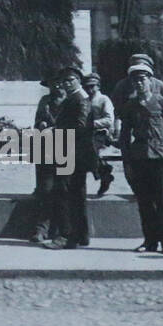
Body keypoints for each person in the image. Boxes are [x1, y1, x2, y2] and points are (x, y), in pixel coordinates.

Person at [117, 59, 163, 255]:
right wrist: (127, 161)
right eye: (135, 80)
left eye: (142, 79)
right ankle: (149, 241)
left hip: (161, 158)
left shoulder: (162, 102)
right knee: (144, 203)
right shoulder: (130, 105)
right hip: (139, 159)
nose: (139, 83)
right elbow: (124, 136)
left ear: (150, 81)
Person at [41, 66, 98, 250]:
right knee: (77, 195)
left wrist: (55, 131)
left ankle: (66, 236)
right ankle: (82, 235)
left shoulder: (79, 99)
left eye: (70, 80)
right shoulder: (76, 98)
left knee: (65, 194)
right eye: (64, 81)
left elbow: (80, 126)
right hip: (75, 153)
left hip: (71, 153)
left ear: (79, 81)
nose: (66, 83)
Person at [29, 74, 64, 243]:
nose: (55, 87)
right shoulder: (45, 101)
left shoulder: (70, 100)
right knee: (46, 189)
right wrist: (41, 124)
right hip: (47, 148)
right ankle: (41, 229)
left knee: (63, 191)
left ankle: (59, 231)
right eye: (52, 84)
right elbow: (37, 121)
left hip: (66, 148)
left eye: (58, 83)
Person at [82, 72, 116, 196]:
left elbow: (109, 119)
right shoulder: (84, 101)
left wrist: (92, 124)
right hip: (86, 133)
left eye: (92, 86)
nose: (90, 89)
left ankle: (104, 173)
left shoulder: (104, 99)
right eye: (87, 87)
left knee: (91, 149)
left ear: (98, 86)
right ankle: (104, 173)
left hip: (101, 133)